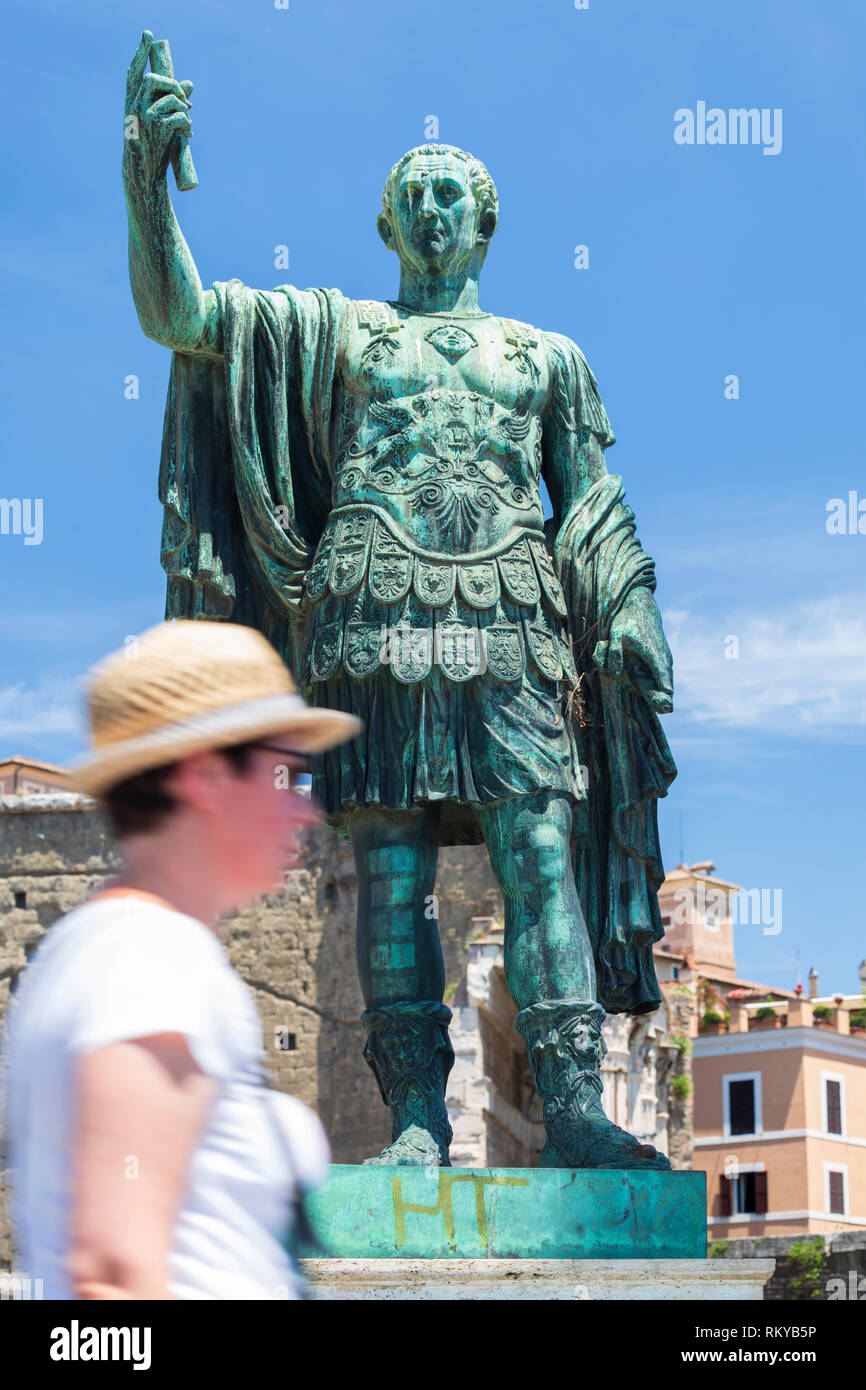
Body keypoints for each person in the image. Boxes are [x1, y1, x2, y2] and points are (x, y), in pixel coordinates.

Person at [123, 29, 676, 1169]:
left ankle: (573, 1112)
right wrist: (144, 180)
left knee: (536, 853)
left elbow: (594, 509)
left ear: (482, 227)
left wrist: (622, 613)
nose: (431, 211)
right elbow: (180, 319)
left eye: (451, 197)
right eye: (412, 196)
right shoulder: (340, 334)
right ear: (387, 228)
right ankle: (417, 1118)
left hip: (516, 629)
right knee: (388, 870)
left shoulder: (546, 357)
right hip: (371, 619)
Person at [3, 619, 360, 1299]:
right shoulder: (147, 960)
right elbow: (112, 1281)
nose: (305, 811)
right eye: (289, 774)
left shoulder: (108, 947)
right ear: (205, 777)